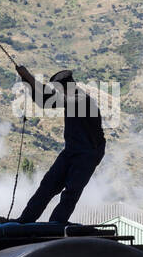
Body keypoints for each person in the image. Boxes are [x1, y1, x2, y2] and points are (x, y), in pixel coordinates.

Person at [15, 66, 105, 223]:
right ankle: (25, 220)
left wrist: (28, 76)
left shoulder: (81, 100)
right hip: (71, 152)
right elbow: (44, 101)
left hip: (87, 154)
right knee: (47, 186)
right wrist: (26, 79)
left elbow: (48, 100)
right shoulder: (73, 99)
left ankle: (55, 224)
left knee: (71, 192)